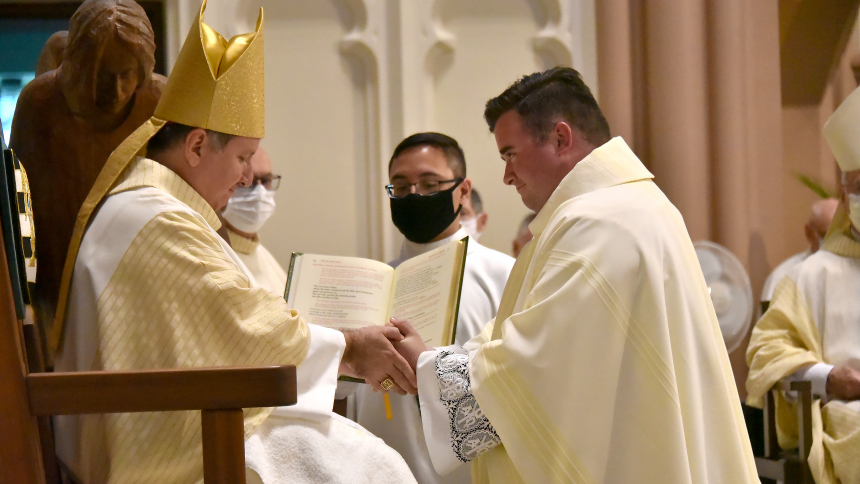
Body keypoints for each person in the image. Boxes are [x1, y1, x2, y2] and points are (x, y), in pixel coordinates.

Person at [51, 4, 416, 482]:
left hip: (162, 422)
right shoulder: (155, 218)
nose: (247, 176)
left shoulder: (154, 208)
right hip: (153, 456)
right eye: (243, 156)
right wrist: (349, 346)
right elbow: (245, 324)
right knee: (358, 463)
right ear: (198, 145)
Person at [388, 67, 759, 483]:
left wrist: (429, 370)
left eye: (510, 154)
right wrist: (435, 363)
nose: (507, 175)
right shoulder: (625, 205)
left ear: (561, 138)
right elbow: (522, 333)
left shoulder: (601, 221)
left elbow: (537, 366)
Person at [355, 132, 515, 484]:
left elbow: (515, 382)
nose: (414, 196)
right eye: (400, 186)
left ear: (462, 190)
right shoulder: (374, 285)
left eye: (429, 184)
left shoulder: (505, 275)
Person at [10, 0, 166, 333]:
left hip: (141, 273)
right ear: (79, 68)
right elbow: (20, 205)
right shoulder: (39, 104)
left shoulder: (159, 101)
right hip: (59, 268)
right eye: (103, 76)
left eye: (127, 74)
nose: (117, 90)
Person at [747, 85, 860, 484]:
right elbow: (765, 354)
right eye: (858, 187)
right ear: (845, 197)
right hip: (847, 412)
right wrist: (830, 377)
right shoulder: (811, 275)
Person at [220, 146, 287, 295]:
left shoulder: (263, 255)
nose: (260, 192)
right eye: (246, 182)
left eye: (266, 180)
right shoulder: (212, 254)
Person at [760, 198, 839, 303]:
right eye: (826, 235)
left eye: (840, 235)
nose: (836, 242)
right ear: (809, 233)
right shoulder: (782, 278)